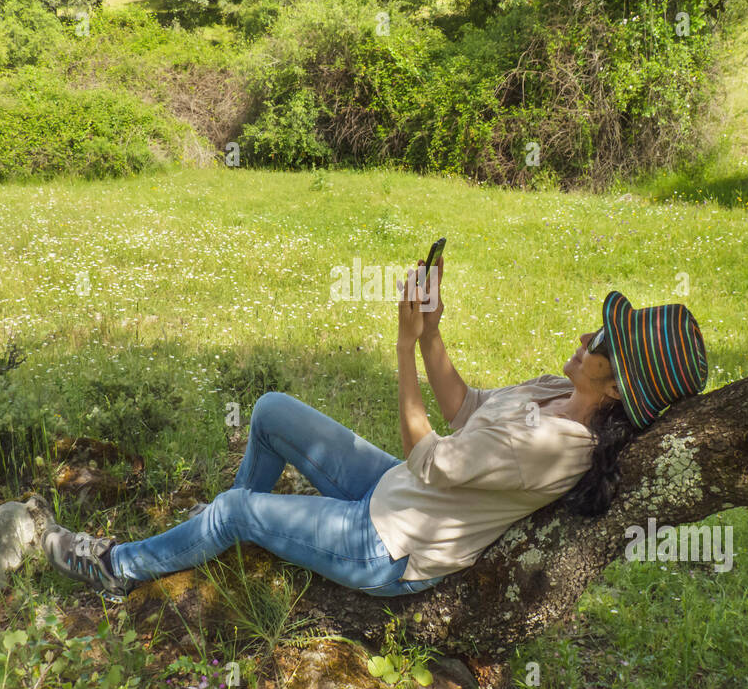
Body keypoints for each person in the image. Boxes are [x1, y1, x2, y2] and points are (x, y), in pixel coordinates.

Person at [37, 256, 708, 600]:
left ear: (617, 385)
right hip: (393, 491)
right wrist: (434, 331)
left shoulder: (555, 448)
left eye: (603, 341)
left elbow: (433, 457)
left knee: (238, 508)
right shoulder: (558, 390)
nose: (586, 334)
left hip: (389, 548)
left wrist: (401, 344)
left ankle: (116, 568)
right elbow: (465, 408)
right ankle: (229, 539)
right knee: (269, 410)